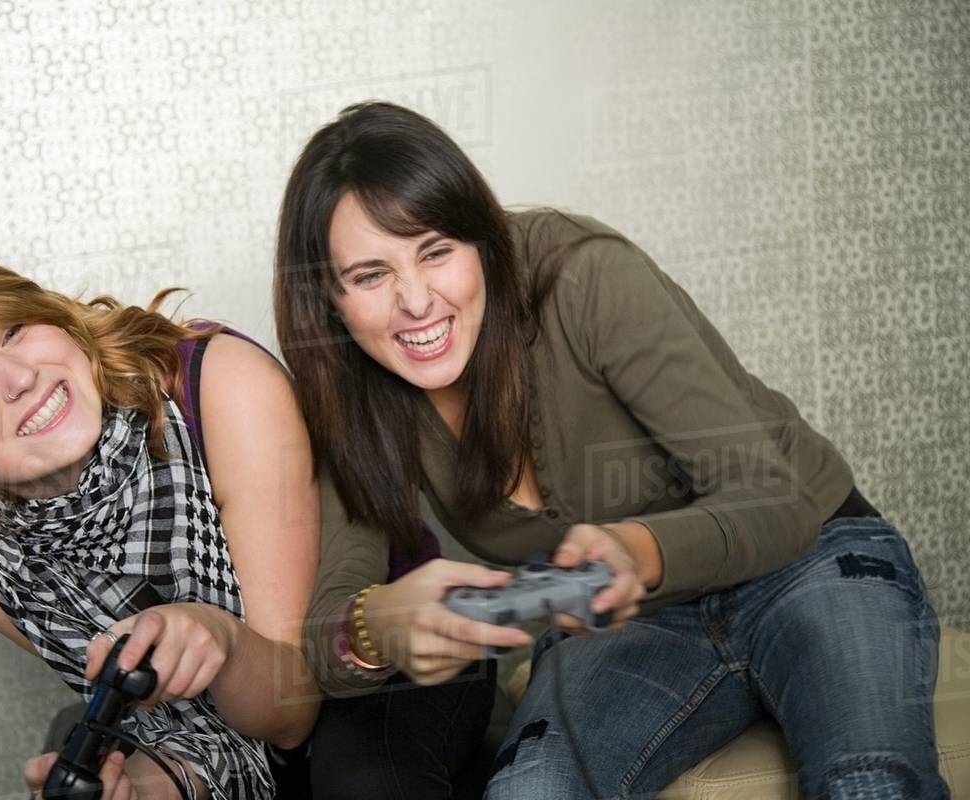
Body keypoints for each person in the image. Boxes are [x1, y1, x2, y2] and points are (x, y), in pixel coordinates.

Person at [272, 101, 948, 799]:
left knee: (871, 784)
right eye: (370, 275)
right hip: (634, 628)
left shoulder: (579, 275)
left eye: (436, 251)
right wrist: (376, 624)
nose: (416, 301)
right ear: (329, 299)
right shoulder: (350, 395)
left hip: (809, 561)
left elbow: (775, 504)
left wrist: (638, 550)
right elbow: (328, 627)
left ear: (481, 241)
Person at [0, 247, 320, 799]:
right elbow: (182, 730)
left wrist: (218, 636)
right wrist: (141, 788)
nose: (20, 377)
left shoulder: (218, 384)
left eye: (11, 330)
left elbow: (292, 718)